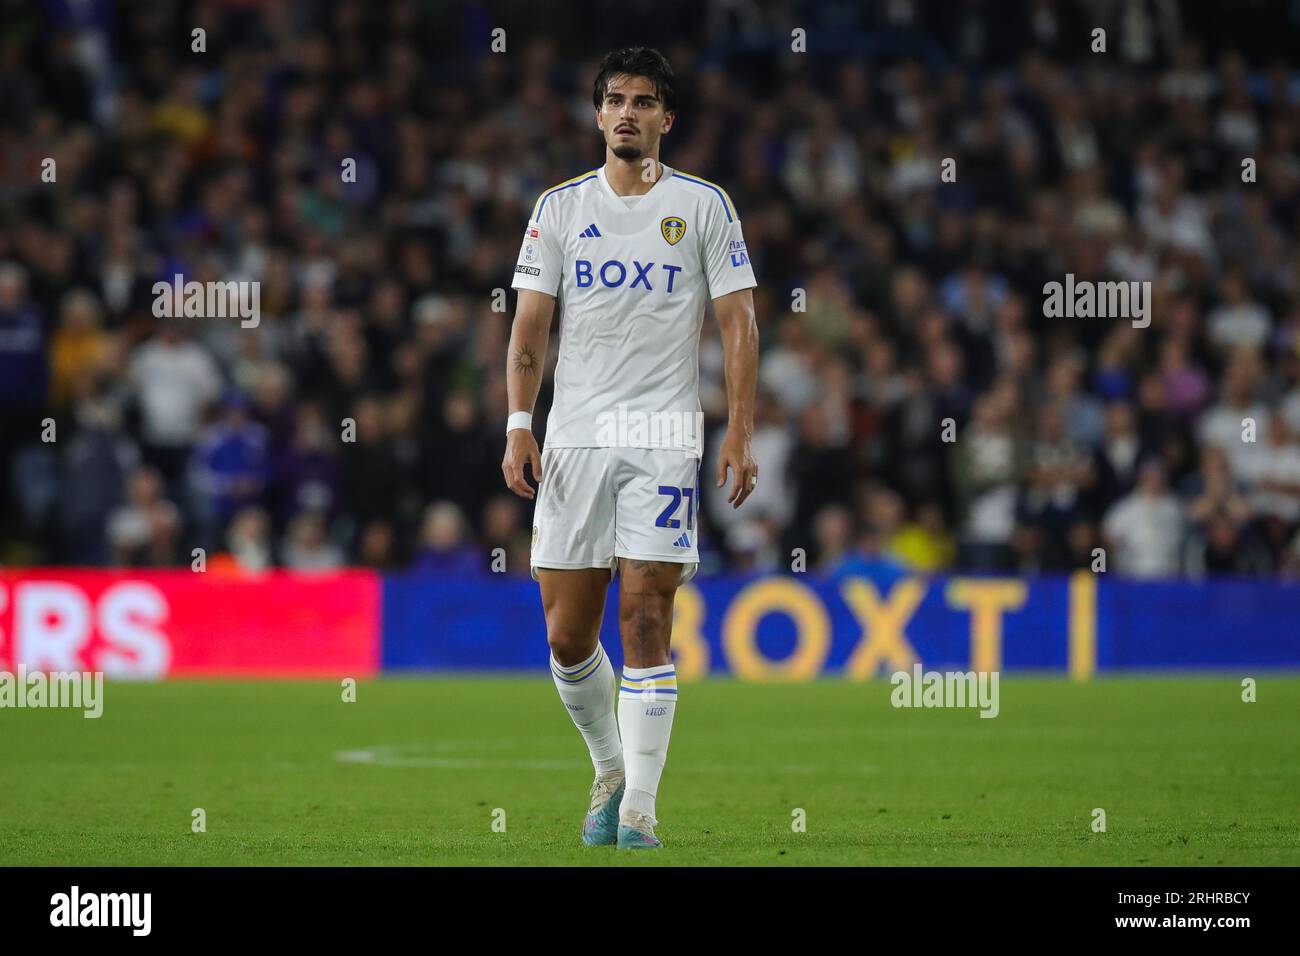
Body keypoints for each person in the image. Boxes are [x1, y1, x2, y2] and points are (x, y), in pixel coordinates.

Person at [501, 48, 758, 850]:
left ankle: (641, 808)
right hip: (575, 436)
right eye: (614, 99)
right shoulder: (560, 208)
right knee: (568, 636)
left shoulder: (704, 206)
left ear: (666, 119)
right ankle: (609, 769)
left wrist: (740, 428)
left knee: (647, 612)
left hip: (662, 435)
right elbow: (530, 328)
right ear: (597, 113)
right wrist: (519, 422)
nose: (627, 113)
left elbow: (739, 322)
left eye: (644, 102)